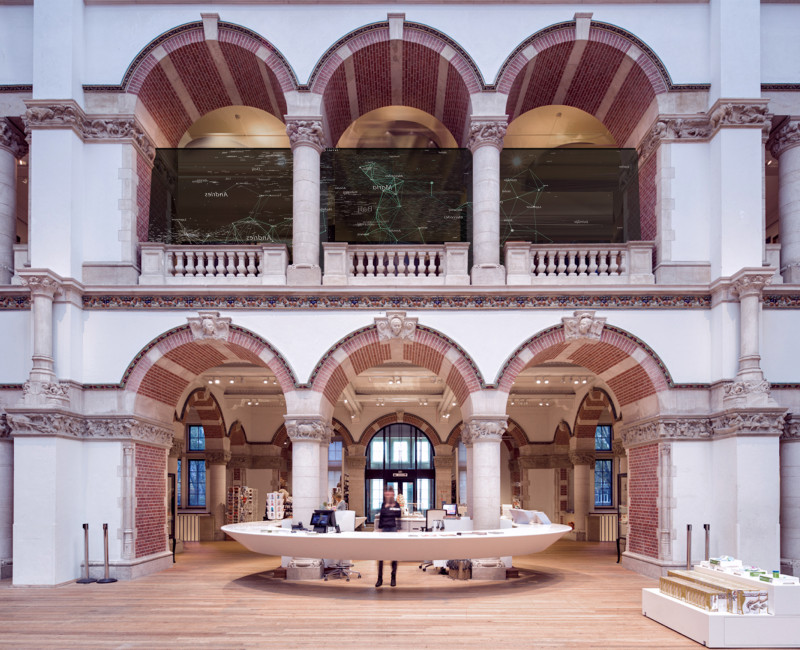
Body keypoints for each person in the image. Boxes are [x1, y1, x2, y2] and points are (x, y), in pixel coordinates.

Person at [375, 486, 402, 588]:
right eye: (386, 494)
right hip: (384, 531)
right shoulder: (383, 505)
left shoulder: (396, 504)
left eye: (389, 493)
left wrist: (399, 528)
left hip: (393, 530)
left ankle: (393, 577)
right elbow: (381, 517)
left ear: (393, 494)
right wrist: (379, 528)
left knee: (394, 555)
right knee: (380, 556)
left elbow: (399, 517)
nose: (387, 495)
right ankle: (379, 578)